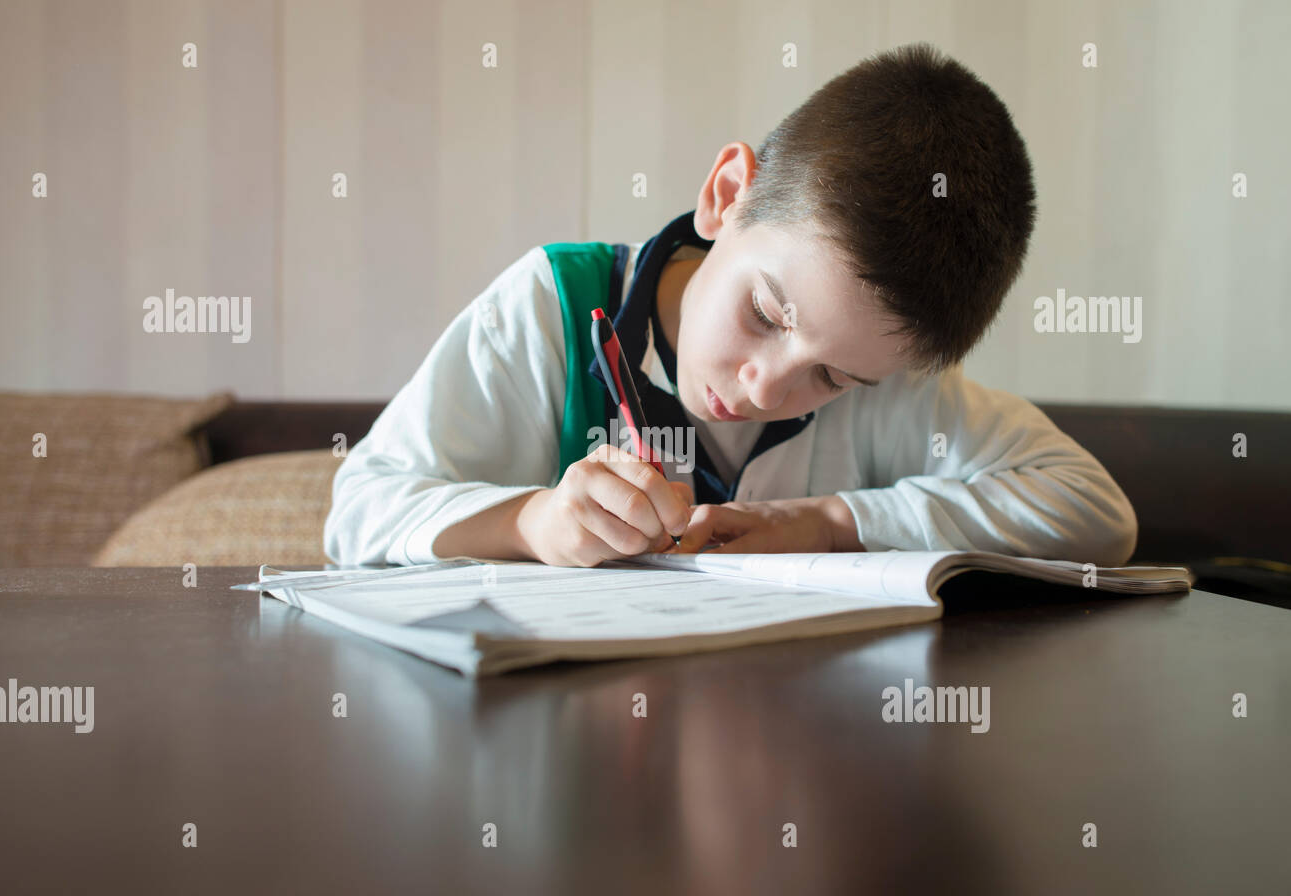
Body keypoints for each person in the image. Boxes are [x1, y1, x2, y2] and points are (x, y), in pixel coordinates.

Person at [324, 43, 1138, 569]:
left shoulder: (887, 373)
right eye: (766, 313)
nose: (762, 388)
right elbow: (357, 513)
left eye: (831, 377)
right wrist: (530, 523)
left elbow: (1094, 509)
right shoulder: (552, 307)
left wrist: (830, 521)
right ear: (726, 197)